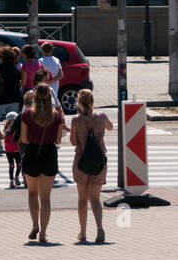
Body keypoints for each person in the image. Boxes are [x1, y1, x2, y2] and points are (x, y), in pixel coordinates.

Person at [20, 83, 64, 243]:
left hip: (32, 152)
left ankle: (34, 225)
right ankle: (43, 234)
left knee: (32, 193)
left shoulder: (27, 115)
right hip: (49, 153)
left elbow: (24, 139)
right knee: (45, 197)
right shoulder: (57, 116)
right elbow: (58, 141)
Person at [70, 89, 113, 244]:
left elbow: (73, 142)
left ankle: (83, 233)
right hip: (98, 160)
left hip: (81, 161)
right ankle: (100, 228)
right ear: (92, 101)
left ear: (79, 102)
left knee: (82, 199)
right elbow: (110, 127)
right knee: (95, 199)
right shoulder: (101, 116)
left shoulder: (76, 120)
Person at [0, 44, 23, 140]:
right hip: (15, 97)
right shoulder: (15, 68)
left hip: (2, 98)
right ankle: (11, 141)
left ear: (1, 57)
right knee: (13, 120)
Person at [2, 111, 23, 188]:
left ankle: (16, 177)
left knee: (19, 164)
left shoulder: (18, 128)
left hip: (16, 150)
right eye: (11, 120)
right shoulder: (7, 130)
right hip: (10, 151)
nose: (13, 122)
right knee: (12, 165)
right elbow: (7, 142)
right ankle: (11, 180)